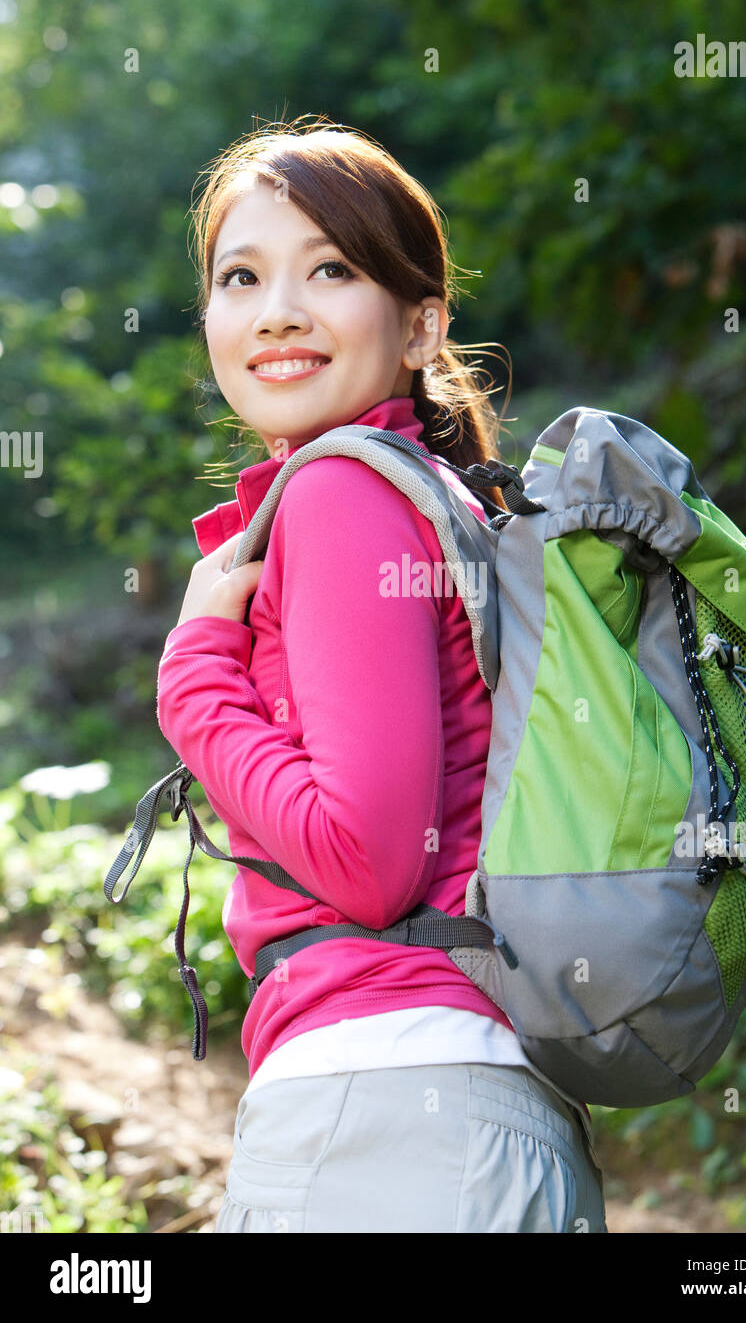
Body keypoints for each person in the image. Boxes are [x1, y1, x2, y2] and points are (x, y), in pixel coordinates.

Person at [155, 116, 607, 1233]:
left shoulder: (344, 495)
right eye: (241, 276)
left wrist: (193, 679)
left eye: (332, 269)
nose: (277, 311)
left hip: (381, 1121)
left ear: (420, 325)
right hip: (456, 1112)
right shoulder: (438, 499)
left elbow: (366, 858)